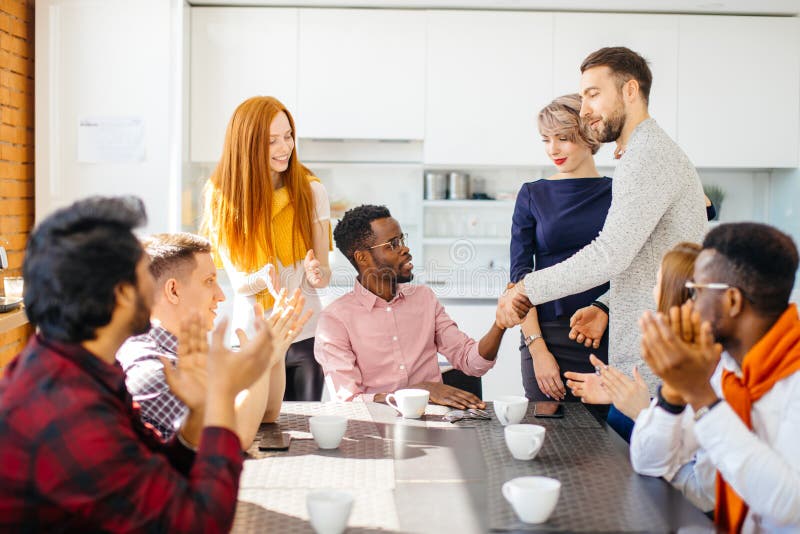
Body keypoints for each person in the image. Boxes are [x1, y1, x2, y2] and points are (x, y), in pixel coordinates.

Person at [0, 196, 274, 531]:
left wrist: (200, 411)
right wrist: (222, 396)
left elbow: (155, 466)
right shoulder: (68, 410)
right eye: (145, 272)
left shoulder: (79, 368)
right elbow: (198, 525)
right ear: (122, 293)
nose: (155, 286)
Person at [497, 46, 707, 391]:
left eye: (593, 95)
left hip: (654, 350)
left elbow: (611, 254)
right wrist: (604, 304)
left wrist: (524, 291)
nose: (585, 109)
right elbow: (641, 260)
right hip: (642, 348)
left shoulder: (647, 155)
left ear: (630, 91)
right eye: (582, 97)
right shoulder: (642, 154)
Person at [632, 223, 800, 531]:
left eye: (696, 291)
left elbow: (788, 504)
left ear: (733, 301)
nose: (689, 303)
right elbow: (648, 463)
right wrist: (673, 391)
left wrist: (700, 396)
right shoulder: (718, 364)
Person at [117, 232, 309, 449]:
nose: (221, 295)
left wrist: (274, 349)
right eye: (209, 281)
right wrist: (262, 359)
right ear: (173, 290)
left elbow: (267, 412)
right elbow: (230, 439)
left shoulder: (189, 352)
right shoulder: (153, 370)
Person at [315, 205, 515, 407]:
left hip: (436, 422)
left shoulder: (424, 298)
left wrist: (500, 325)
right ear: (362, 258)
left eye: (402, 239)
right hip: (378, 429)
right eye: (392, 244)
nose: (405, 248)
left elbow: (471, 361)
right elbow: (349, 400)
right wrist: (420, 391)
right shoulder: (335, 320)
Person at [202, 95, 331, 401]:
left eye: (288, 137)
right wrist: (262, 277)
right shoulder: (222, 198)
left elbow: (323, 275)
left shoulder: (312, 191)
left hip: (306, 334)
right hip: (253, 336)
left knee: (305, 428)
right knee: (259, 428)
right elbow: (238, 284)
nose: (285, 148)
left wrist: (317, 273)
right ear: (246, 144)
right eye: (272, 140)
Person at [510, 93, 611, 413]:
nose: (553, 149)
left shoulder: (619, 193)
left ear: (588, 135)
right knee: (547, 433)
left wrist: (604, 310)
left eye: (563, 139)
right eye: (546, 140)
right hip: (545, 333)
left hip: (604, 335)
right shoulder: (532, 194)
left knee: (604, 444)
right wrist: (537, 350)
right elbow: (519, 280)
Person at [565, 242, 702, 439]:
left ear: (671, 292)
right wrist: (618, 393)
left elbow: (675, 451)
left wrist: (640, 411)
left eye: (656, 283)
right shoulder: (675, 347)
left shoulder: (696, 365)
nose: (653, 291)